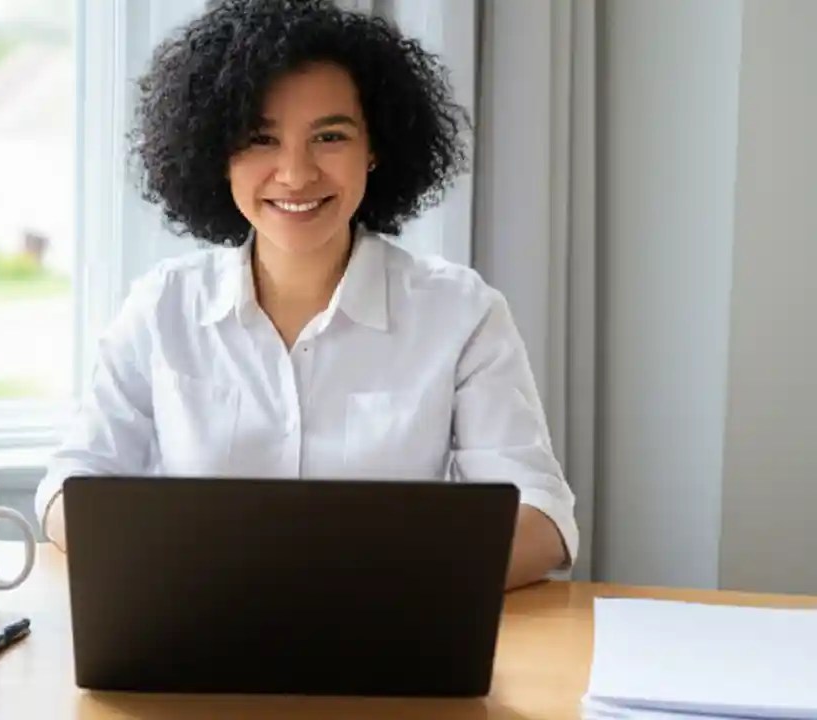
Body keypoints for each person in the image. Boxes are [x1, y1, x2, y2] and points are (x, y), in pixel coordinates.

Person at [35, 0, 577, 590]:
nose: (295, 174)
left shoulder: (462, 314)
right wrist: (180, 564)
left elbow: (543, 520)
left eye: (329, 136)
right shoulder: (161, 309)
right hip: (196, 638)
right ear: (219, 153)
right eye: (261, 138)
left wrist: (370, 579)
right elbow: (69, 488)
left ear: (375, 147)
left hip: (391, 643)